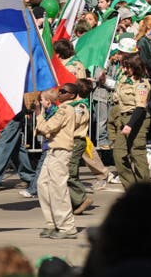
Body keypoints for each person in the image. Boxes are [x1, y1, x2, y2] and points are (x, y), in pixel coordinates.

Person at [35, 88, 77, 239]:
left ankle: (67, 227)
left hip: (61, 150)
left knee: (58, 188)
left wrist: (39, 115)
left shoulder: (66, 109)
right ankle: (52, 223)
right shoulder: (58, 109)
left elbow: (47, 127)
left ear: (72, 95)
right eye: (60, 91)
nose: (60, 93)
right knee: (43, 184)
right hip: (52, 150)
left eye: (64, 91)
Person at [110, 53, 151, 189]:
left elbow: (140, 107)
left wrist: (129, 125)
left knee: (136, 153)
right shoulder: (124, 78)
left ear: (136, 67)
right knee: (118, 154)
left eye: (128, 67)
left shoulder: (142, 84)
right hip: (122, 117)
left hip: (137, 119)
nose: (125, 69)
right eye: (124, 66)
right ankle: (131, 188)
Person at [61, 82, 94, 215]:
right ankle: (75, 201)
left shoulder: (80, 107)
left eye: (64, 92)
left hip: (76, 141)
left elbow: (73, 123)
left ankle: (82, 199)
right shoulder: (71, 105)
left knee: (69, 172)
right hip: (69, 141)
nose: (60, 94)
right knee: (68, 171)